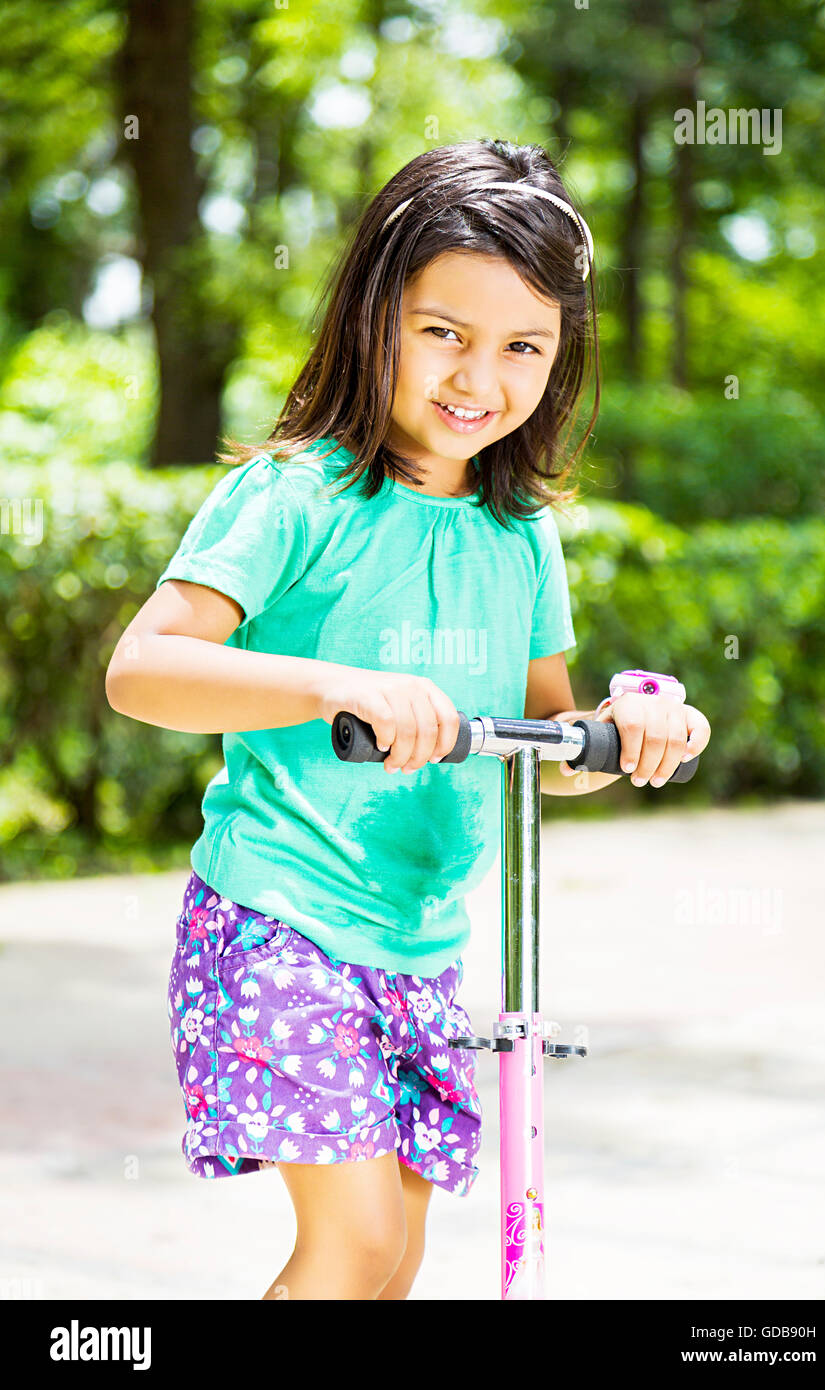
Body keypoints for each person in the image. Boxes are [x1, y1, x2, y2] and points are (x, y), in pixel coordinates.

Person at [104, 137, 711, 1301]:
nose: (477, 376)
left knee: (397, 1265)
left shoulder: (519, 531)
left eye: (521, 347)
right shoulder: (297, 494)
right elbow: (144, 669)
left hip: (421, 948)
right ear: (373, 313)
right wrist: (332, 685)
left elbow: (545, 747)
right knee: (351, 1251)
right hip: (279, 918)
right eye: (443, 332)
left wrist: (628, 732)